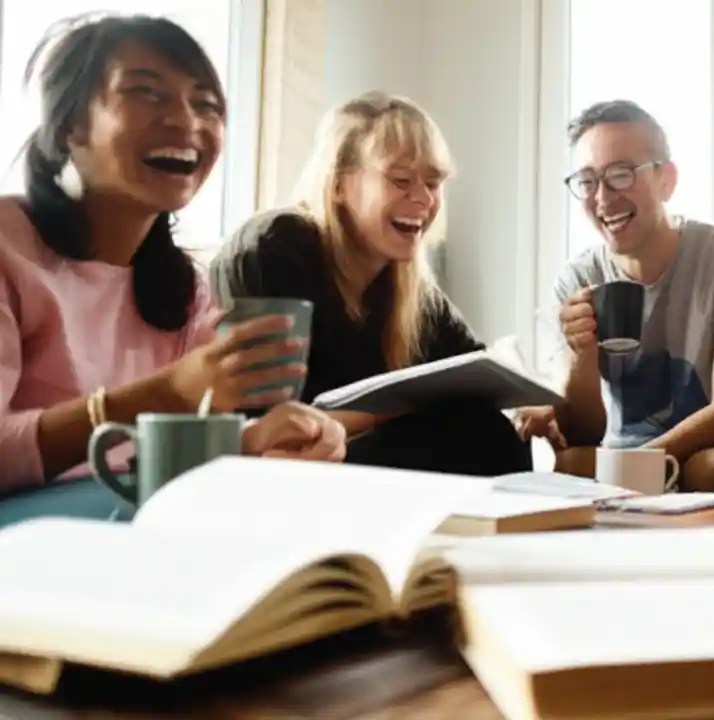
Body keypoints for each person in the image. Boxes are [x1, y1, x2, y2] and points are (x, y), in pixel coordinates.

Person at [0, 14, 345, 495]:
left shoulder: (185, 287)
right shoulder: (9, 246)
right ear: (67, 127)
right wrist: (166, 391)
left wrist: (255, 439)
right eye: (146, 93)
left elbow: (161, 449)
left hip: (132, 530)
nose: (186, 122)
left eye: (206, 105)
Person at [211, 91, 530, 476]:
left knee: (489, 431)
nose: (423, 199)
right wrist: (395, 410)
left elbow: (476, 375)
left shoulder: (410, 287)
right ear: (339, 185)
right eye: (400, 180)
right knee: (475, 432)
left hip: (353, 461)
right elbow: (271, 423)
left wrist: (529, 406)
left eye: (433, 183)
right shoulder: (276, 246)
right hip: (283, 465)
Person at [516, 100, 714, 491]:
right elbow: (582, 431)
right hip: (617, 456)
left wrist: (640, 465)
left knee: (711, 467)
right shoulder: (579, 278)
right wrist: (580, 356)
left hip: (709, 449)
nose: (602, 198)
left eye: (620, 175)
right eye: (587, 181)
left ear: (666, 179)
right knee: (571, 462)